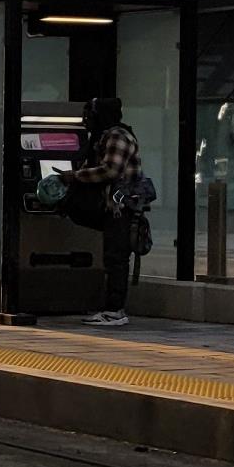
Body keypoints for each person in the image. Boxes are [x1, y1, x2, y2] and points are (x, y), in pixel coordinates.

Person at [61, 97, 140, 327]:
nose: (86, 122)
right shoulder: (105, 136)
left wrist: (74, 177)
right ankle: (112, 308)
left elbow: (110, 170)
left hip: (121, 207)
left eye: (89, 117)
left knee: (117, 258)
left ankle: (115, 310)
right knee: (113, 256)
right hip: (112, 207)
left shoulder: (117, 136)